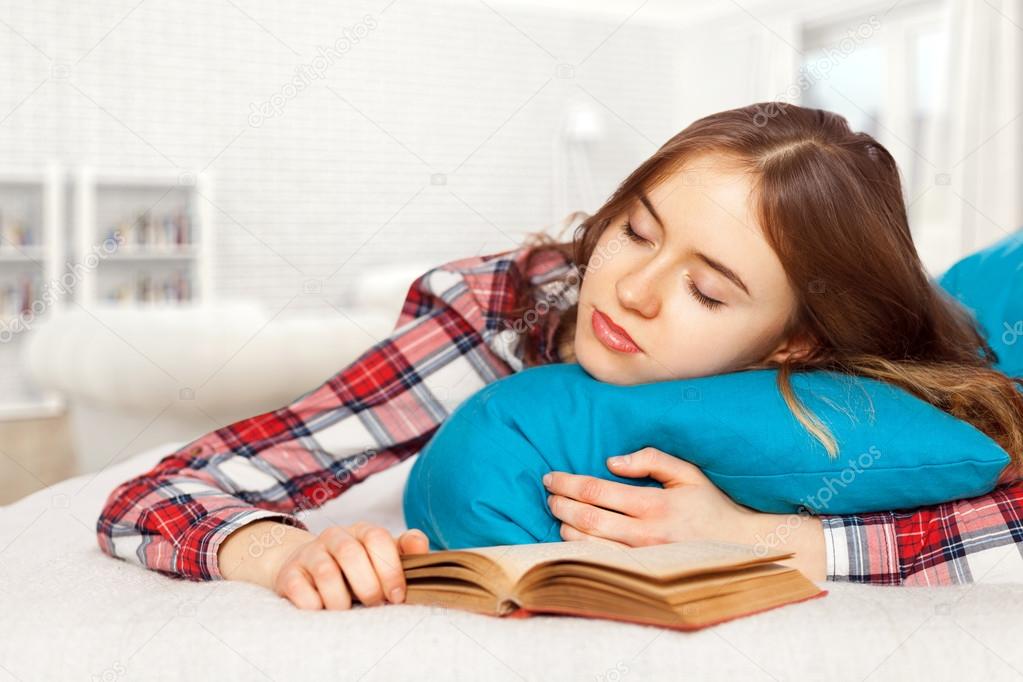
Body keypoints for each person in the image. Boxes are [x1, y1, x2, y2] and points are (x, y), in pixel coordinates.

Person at [96, 102, 1023, 610]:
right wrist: (274, 553)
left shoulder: (854, 388)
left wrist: (774, 540)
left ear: (791, 339)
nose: (629, 291)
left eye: (707, 291)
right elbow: (157, 495)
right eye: (634, 230)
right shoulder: (505, 313)